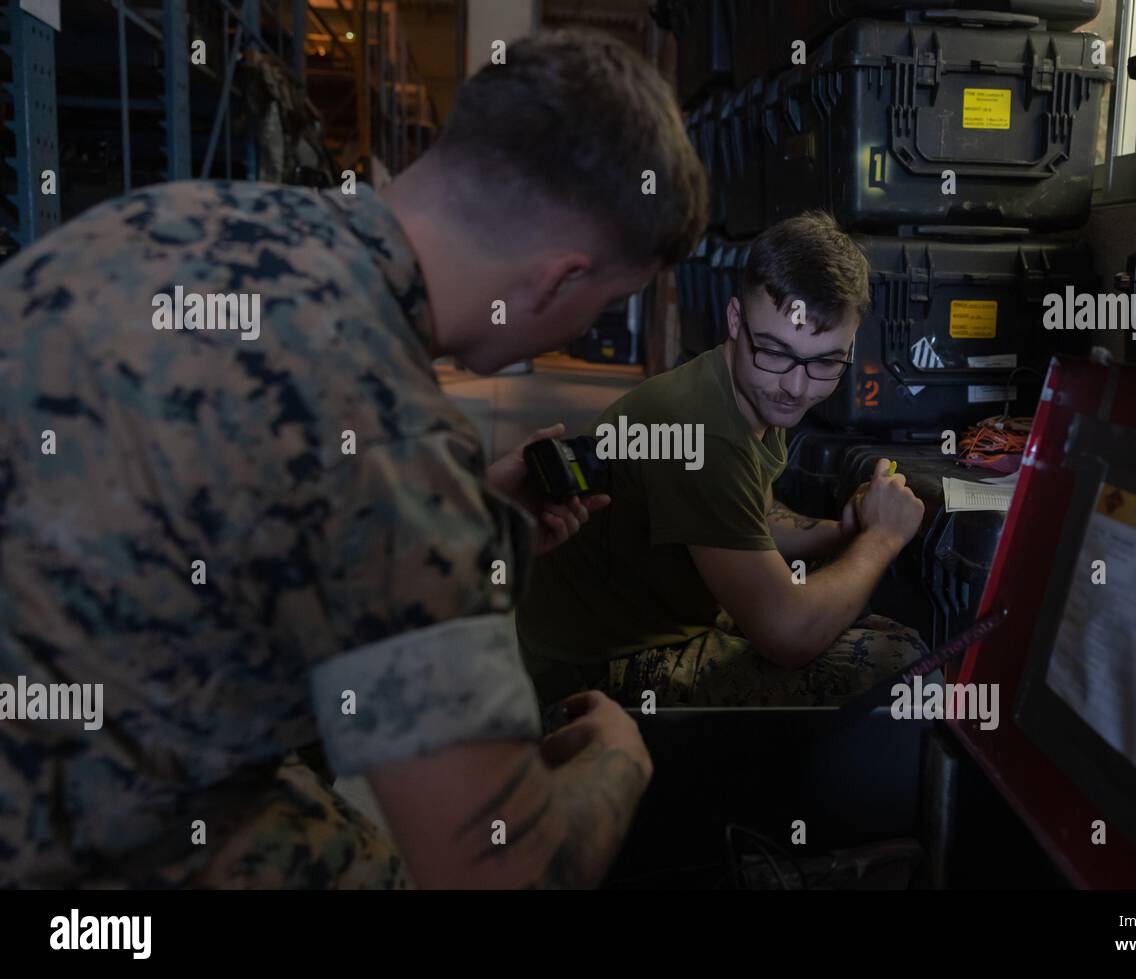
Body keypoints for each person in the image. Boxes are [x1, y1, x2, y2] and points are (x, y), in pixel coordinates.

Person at [0, 29, 708, 889]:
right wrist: (621, 759)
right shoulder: (391, 434)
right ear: (558, 280)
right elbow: (500, 871)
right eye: (609, 303)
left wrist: (470, 521)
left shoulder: (170, 217)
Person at [516, 212, 927, 708]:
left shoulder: (745, 390)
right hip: (582, 670)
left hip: (651, 622)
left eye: (824, 362)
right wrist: (882, 539)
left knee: (863, 607)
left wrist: (847, 531)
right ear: (735, 319)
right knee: (898, 660)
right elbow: (787, 636)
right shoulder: (699, 429)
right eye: (775, 351)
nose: (796, 387)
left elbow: (752, 519)